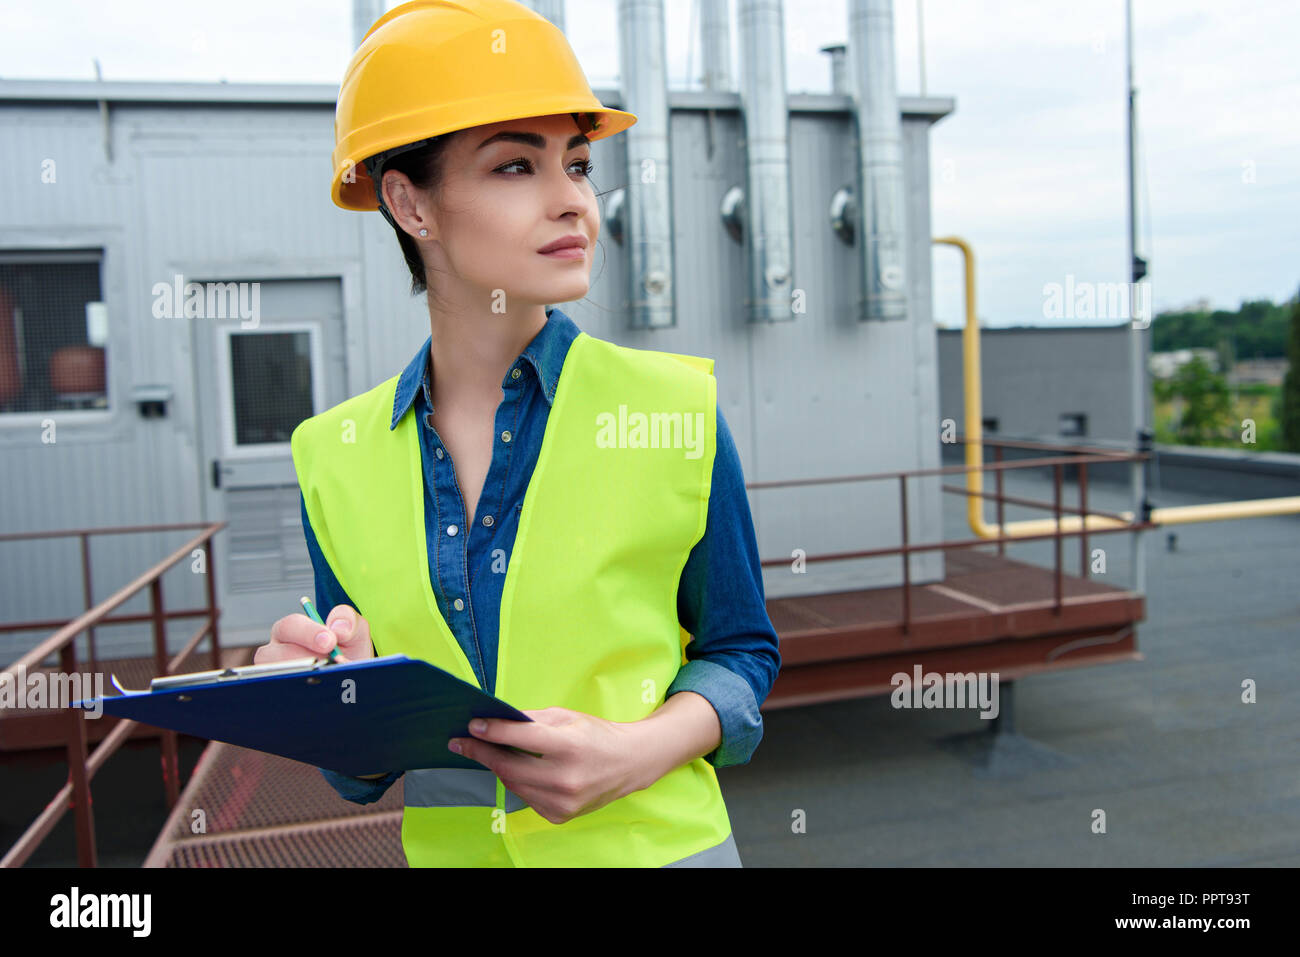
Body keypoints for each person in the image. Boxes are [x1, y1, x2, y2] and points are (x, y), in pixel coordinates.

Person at [254, 0, 780, 867]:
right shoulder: (331, 455)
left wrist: (634, 753)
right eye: (513, 167)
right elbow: (364, 768)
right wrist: (320, 696)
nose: (571, 200)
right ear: (409, 203)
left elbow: (740, 650)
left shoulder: (674, 410)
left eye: (576, 164)